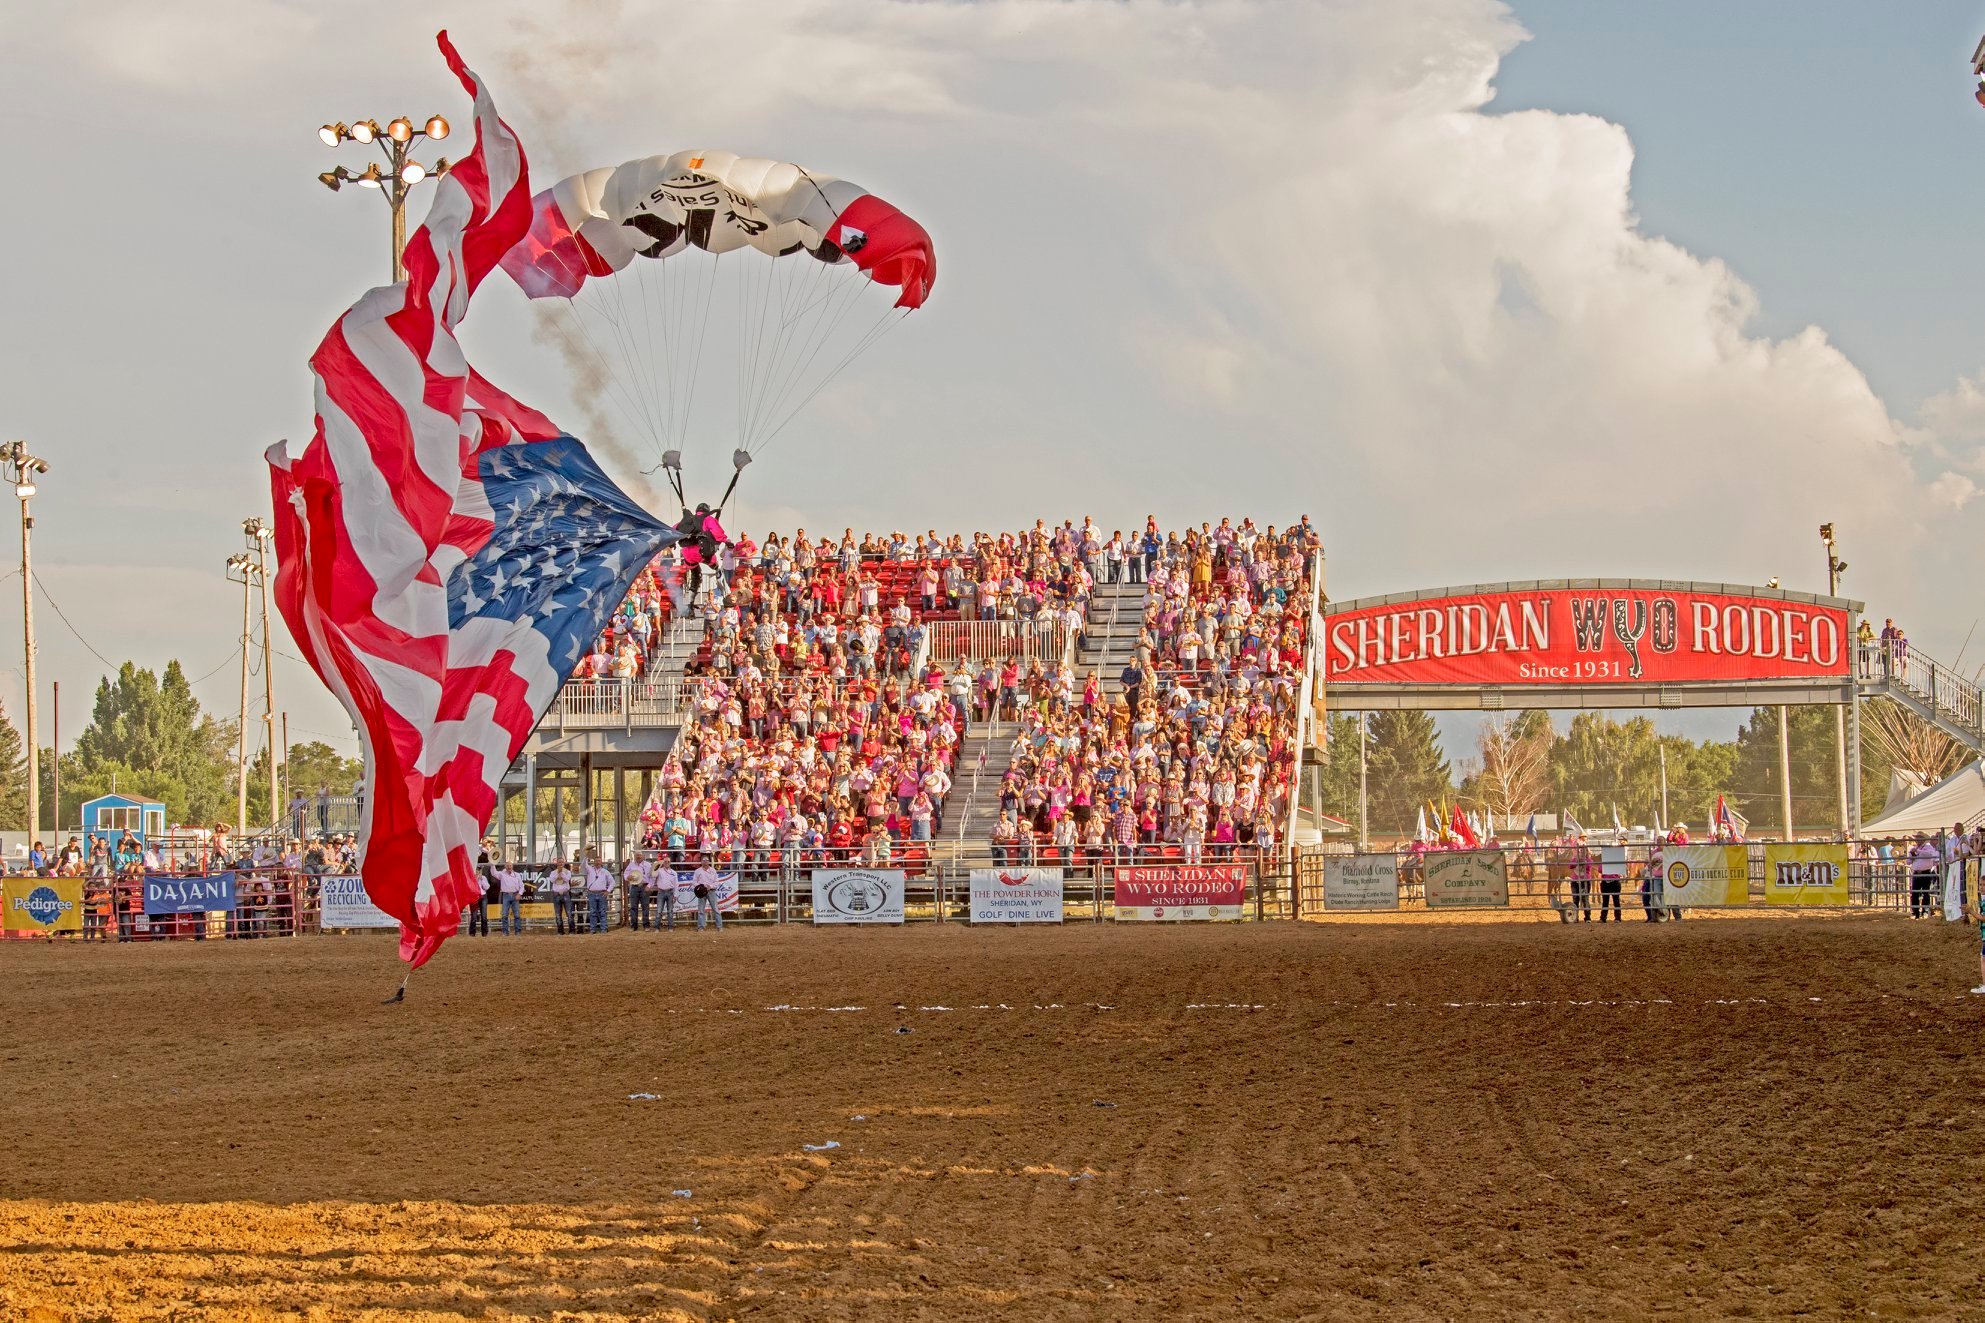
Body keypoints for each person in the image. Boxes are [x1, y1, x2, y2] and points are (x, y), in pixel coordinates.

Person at [1908, 834, 1939, 919]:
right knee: (1915, 893)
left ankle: (1925, 911)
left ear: (1923, 839)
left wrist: (1918, 851)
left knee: (1926, 892)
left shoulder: (1928, 847)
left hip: (1926, 872)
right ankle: (1915, 912)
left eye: (1919, 838)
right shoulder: (1913, 848)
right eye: (1916, 838)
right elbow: (1908, 861)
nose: (1917, 840)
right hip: (1916, 872)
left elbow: (1929, 855)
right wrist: (1911, 856)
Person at [466, 843, 493, 936]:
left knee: (484, 915)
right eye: (476, 870)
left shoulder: (483, 878)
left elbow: (487, 887)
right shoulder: (471, 878)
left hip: (483, 896)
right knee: (473, 916)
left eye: (479, 870)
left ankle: (484, 932)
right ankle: (472, 932)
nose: (477, 872)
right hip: (474, 896)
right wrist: (476, 879)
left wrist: (481, 879)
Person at [691, 859, 724, 931]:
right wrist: (700, 887)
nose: (705, 861)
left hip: (711, 891)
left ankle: (719, 926)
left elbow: (717, 882)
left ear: (709, 862)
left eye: (706, 860)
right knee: (701, 910)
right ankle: (701, 927)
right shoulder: (697, 871)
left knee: (715, 909)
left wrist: (710, 886)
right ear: (701, 862)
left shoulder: (713, 870)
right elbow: (694, 882)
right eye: (703, 860)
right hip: (701, 892)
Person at [584, 853, 614, 932]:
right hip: (592, 893)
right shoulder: (590, 869)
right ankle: (593, 929)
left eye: (599, 861)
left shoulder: (605, 872)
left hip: (601, 893)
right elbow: (584, 864)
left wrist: (608, 891)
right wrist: (586, 855)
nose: (597, 862)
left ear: (601, 862)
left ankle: (603, 929)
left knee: (602, 912)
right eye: (596, 861)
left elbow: (612, 882)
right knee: (593, 912)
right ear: (594, 862)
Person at [546, 856, 576, 934]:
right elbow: (552, 880)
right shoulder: (553, 872)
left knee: (569, 913)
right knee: (558, 914)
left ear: (564, 863)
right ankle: (560, 931)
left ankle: (572, 930)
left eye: (562, 862)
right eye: (559, 862)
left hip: (565, 894)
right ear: (557, 863)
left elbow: (567, 879)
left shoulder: (568, 872)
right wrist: (558, 873)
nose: (561, 864)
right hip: (556, 894)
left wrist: (561, 873)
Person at [496, 858, 526, 935]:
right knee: (504, 914)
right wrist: (492, 863)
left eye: (510, 865)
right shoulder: (502, 874)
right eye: (508, 865)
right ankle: (505, 932)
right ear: (505, 867)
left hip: (515, 894)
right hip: (506, 895)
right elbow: (494, 873)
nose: (509, 867)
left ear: (512, 866)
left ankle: (518, 931)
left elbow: (522, 886)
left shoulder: (517, 875)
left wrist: (519, 894)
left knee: (517, 915)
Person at [624, 852, 653, 931]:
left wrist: (649, 886)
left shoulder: (648, 865)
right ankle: (633, 926)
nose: (638, 857)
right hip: (634, 886)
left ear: (643, 856)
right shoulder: (631, 865)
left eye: (639, 855)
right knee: (633, 907)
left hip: (644, 886)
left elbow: (652, 876)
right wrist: (628, 877)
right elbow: (625, 874)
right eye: (637, 855)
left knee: (645, 906)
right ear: (634, 856)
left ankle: (646, 925)